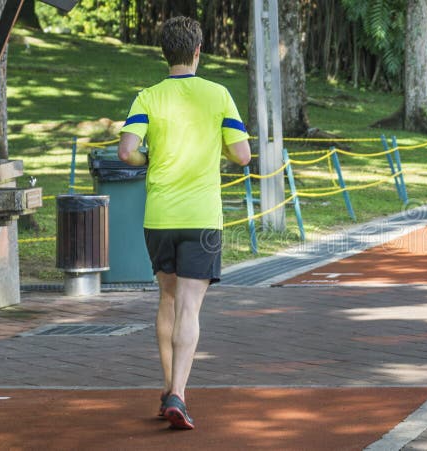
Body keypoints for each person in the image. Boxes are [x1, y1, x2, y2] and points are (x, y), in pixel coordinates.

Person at [118, 16, 251, 430]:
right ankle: (178, 392)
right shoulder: (218, 95)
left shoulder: (147, 97)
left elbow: (126, 151)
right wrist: (217, 148)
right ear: (197, 51)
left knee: (168, 300)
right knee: (190, 307)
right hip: (202, 218)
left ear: (165, 53)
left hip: (160, 217)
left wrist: (147, 158)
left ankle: (167, 389)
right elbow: (243, 155)